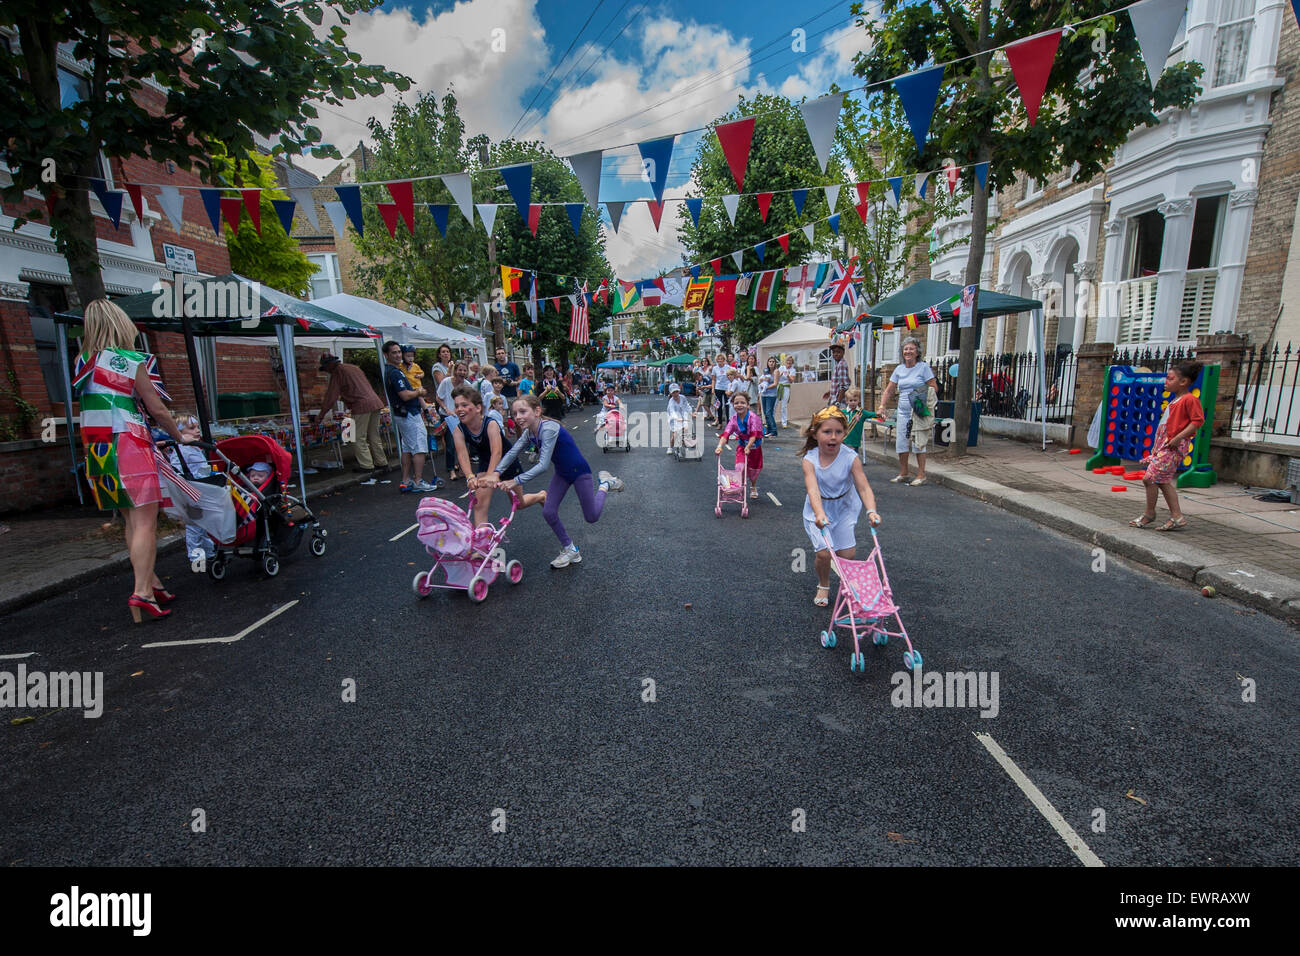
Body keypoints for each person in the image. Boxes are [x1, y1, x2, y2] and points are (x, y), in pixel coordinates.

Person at [73, 298, 186, 623]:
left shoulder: (83, 361)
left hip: (98, 448)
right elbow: (157, 409)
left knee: (130, 521)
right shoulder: (128, 359)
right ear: (121, 325)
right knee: (146, 522)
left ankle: (152, 582)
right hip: (129, 444)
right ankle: (143, 593)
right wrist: (178, 436)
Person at [483, 393, 626, 569]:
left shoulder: (548, 428)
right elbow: (513, 452)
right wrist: (496, 472)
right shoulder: (530, 432)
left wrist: (515, 480)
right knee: (548, 512)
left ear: (536, 411)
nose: (518, 417)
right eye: (514, 413)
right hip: (563, 473)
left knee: (592, 517)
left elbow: (543, 465)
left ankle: (605, 484)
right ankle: (571, 549)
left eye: (522, 411)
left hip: (580, 472)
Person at [801, 406, 881, 607]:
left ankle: (849, 585)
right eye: (827, 432)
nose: (833, 437)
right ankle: (824, 584)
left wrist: (871, 510)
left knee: (847, 555)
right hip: (818, 508)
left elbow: (863, 487)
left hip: (844, 506)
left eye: (838, 432)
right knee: (824, 553)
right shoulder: (809, 460)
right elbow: (813, 490)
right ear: (815, 433)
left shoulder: (850, 457)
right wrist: (819, 514)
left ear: (845, 433)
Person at [1130, 360, 1205, 532]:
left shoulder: (1189, 399)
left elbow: (1197, 421)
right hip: (1165, 446)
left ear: (1183, 382)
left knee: (1148, 479)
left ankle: (1149, 513)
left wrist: (1178, 438)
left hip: (1173, 447)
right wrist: (1155, 451)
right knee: (1163, 481)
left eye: (1170, 379)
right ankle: (1177, 516)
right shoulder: (1175, 400)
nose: (1166, 382)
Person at [450, 385, 519, 530]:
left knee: (520, 503)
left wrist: (491, 475)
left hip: (507, 461)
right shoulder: (459, 430)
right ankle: (481, 546)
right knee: (479, 504)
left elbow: (497, 452)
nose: (459, 409)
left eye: (464, 405)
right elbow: (462, 454)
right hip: (486, 462)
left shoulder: (490, 424)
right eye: (456, 406)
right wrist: (470, 476)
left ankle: (541, 496)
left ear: (478, 408)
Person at [877, 336, 938, 486]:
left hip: (918, 408)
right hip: (903, 410)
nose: (908, 351)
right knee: (901, 442)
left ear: (917, 352)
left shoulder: (923, 367)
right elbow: (889, 390)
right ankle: (904, 472)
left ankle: (921, 474)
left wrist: (920, 394)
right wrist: (882, 406)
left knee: (918, 441)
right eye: (905, 349)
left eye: (911, 348)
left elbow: (934, 387)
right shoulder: (899, 369)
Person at [319, 352, 389, 475]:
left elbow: (331, 396)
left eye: (326, 369)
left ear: (329, 365)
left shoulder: (337, 372)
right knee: (373, 435)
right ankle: (382, 462)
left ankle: (367, 465)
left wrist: (321, 415)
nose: (327, 372)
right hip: (375, 402)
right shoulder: (353, 368)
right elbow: (358, 387)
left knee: (357, 437)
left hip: (362, 405)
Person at [382, 339, 437, 494]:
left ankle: (406, 480)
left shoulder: (395, 370)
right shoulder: (394, 372)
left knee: (407, 448)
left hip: (405, 413)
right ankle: (418, 480)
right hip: (408, 413)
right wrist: (419, 392)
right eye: (394, 352)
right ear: (386, 355)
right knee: (419, 447)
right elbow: (405, 395)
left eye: (399, 352)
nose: (398, 355)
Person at [167, 411, 217, 565]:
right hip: (190, 492)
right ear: (179, 432)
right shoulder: (181, 450)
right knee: (194, 526)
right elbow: (176, 471)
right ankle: (196, 558)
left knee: (203, 524)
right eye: (191, 428)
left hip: (201, 489)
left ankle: (209, 551)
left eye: (197, 427)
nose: (197, 430)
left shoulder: (194, 448)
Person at [716, 392, 764, 499]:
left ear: (747, 405)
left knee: (753, 471)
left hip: (754, 447)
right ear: (733, 405)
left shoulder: (754, 417)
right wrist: (719, 446)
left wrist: (749, 446)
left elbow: (754, 435)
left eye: (742, 402)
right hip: (742, 447)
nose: (739, 405)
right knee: (739, 468)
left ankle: (753, 486)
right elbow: (726, 434)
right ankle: (739, 487)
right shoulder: (733, 419)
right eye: (736, 403)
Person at [436, 360, 469, 480]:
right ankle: (451, 470)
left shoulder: (467, 385)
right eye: (460, 369)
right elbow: (438, 398)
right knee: (450, 444)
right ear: (455, 371)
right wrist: (447, 409)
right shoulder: (446, 382)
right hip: (448, 416)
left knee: (463, 443)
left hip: (461, 417)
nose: (462, 372)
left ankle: (461, 468)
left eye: (464, 370)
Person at [666, 382, 692, 455]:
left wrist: (691, 413)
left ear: (679, 391)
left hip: (682, 416)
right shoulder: (671, 402)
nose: (675, 394)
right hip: (673, 418)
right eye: (673, 392)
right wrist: (676, 418)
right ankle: (670, 447)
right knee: (675, 433)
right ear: (671, 393)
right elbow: (672, 412)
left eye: (676, 391)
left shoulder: (683, 397)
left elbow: (687, 405)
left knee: (686, 428)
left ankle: (684, 441)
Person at [841, 387, 867, 453]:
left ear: (859, 400)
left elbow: (874, 414)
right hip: (844, 441)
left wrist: (881, 414)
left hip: (855, 442)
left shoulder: (862, 412)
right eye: (851, 400)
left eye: (855, 400)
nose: (853, 402)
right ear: (846, 401)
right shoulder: (843, 412)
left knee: (854, 459)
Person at [760, 356, 780, 437]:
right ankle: (768, 430)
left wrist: (766, 387)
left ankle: (774, 431)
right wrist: (761, 383)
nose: (771, 363)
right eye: (770, 361)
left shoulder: (776, 371)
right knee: (765, 413)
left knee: (769, 412)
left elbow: (775, 383)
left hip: (771, 395)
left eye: (773, 361)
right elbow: (761, 380)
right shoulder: (766, 371)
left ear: (775, 363)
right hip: (764, 394)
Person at [778, 355, 797, 427]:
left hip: (786, 387)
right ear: (785, 361)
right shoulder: (781, 368)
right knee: (775, 403)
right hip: (779, 386)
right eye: (788, 361)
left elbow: (792, 381)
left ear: (792, 362)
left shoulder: (793, 370)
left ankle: (784, 422)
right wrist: (781, 374)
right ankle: (771, 421)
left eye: (790, 361)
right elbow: (776, 377)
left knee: (784, 406)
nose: (789, 362)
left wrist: (788, 376)